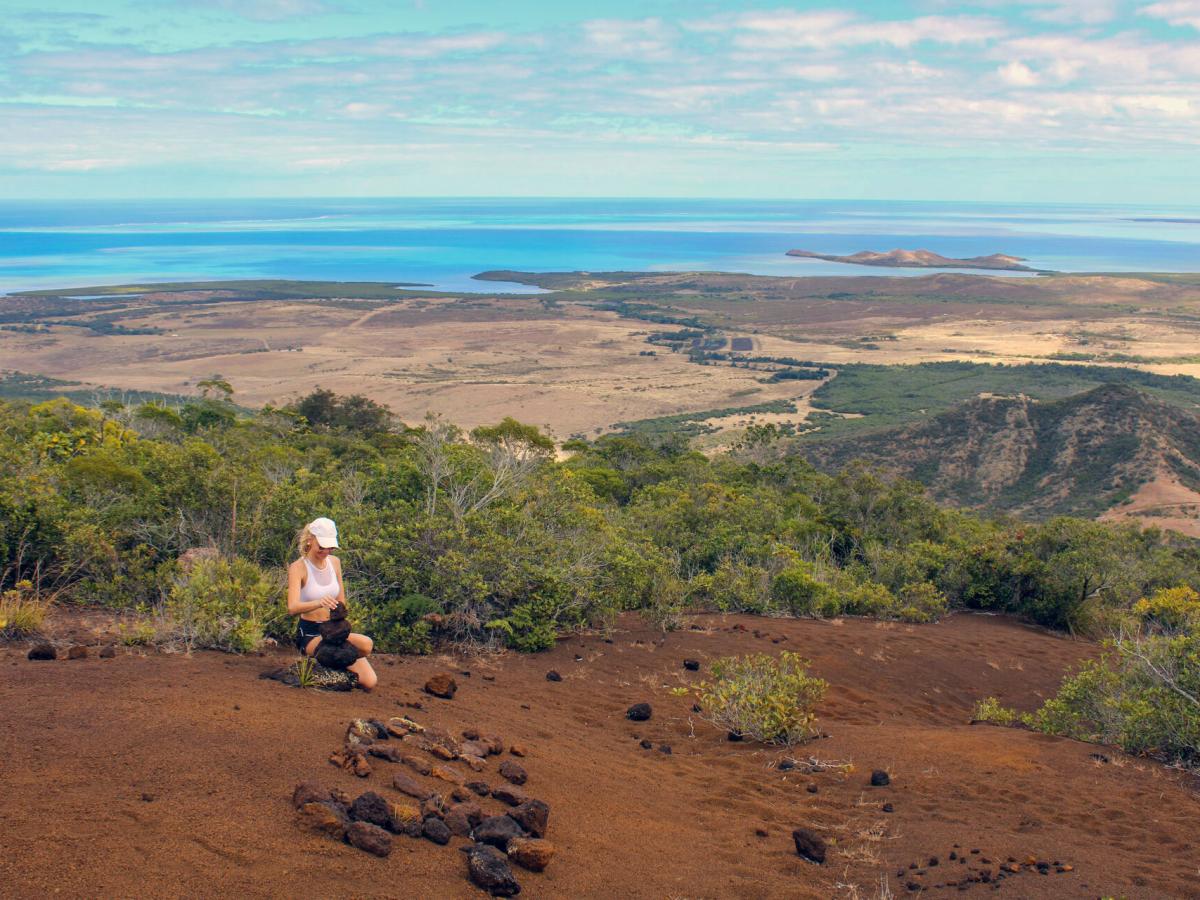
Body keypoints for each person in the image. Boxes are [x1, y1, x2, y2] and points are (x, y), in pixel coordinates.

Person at [286, 517, 377, 690]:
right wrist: (318, 603)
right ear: (310, 540)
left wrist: (340, 620)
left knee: (369, 681)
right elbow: (292, 607)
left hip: (334, 630)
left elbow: (341, 600)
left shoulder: (334, 562)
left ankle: (328, 668)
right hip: (311, 633)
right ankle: (317, 665)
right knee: (363, 644)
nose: (326, 551)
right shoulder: (298, 567)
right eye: (322, 546)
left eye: (330, 547)